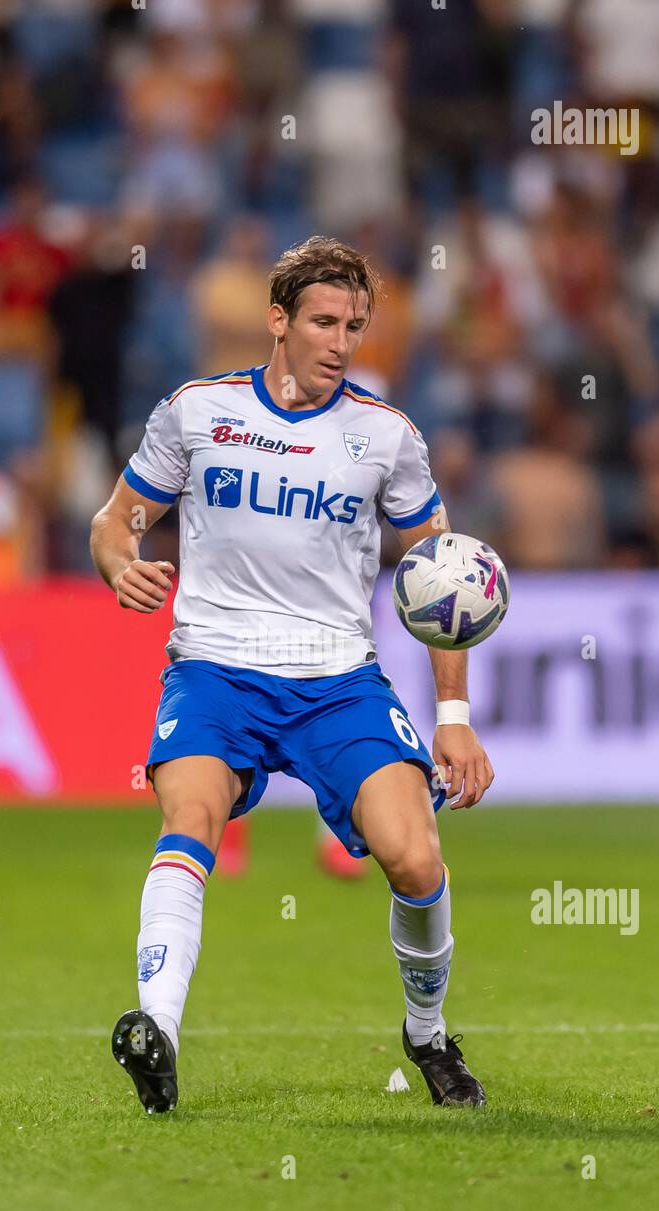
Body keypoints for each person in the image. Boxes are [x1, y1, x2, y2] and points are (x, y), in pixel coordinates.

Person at [90, 236, 494, 1114]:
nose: (341, 342)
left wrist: (453, 715)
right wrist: (119, 562)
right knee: (190, 814)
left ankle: (425, 1034)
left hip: (336, 683)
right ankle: (154, 1028)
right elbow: (116, 520)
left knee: (415, 856)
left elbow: (441, 582)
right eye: (323, 321)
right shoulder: (197, 412)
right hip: (214, 670)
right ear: (278, 319)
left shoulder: (387, 437)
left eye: (354, 325)